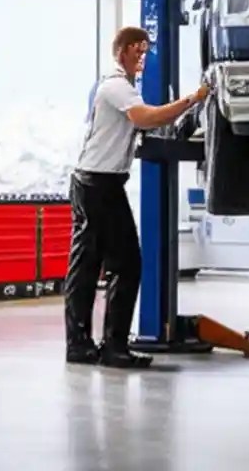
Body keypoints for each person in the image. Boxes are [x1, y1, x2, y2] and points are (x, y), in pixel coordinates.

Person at [65, 26, 209, 368]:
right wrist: (192, 99)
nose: (143, 57)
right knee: (126, 265)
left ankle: (83, 345)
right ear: (122, 52)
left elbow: (140, 124)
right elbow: (145, 118)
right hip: (99, 185)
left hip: (94, 182)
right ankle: (112, 347)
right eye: (137, 51)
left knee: (87, 266)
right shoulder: (116, 85)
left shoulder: (119, 86)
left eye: (145, 51)